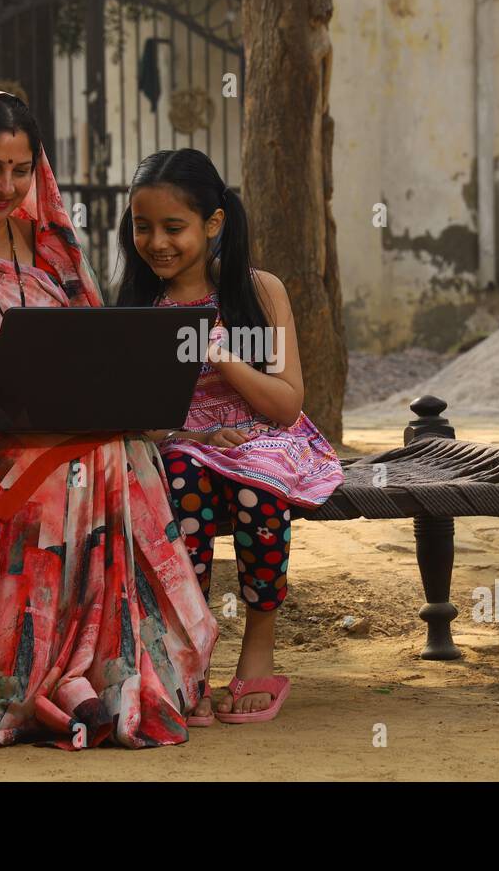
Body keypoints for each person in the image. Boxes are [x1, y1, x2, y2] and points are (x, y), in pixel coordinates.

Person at [0, 90, 217, 749]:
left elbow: (97, 352)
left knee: (119, 453)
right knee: (31, 493)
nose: (7, 186)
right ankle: (23, 684)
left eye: (20, 169)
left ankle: (103, 671)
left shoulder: (49, 249)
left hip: (73, 426)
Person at [115, 148, 344, 724]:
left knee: (257, 486)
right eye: (144, 227)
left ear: (213, 224)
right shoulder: (140, 303)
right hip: (179, 444)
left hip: (264, 441)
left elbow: (288, 406)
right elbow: (133, 412)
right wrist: (183, 430)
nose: (158, 242)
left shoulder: (258, 292)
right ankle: (187, 657)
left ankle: (258, 655)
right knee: (182, 479)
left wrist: (226, 358)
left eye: (175, 227)